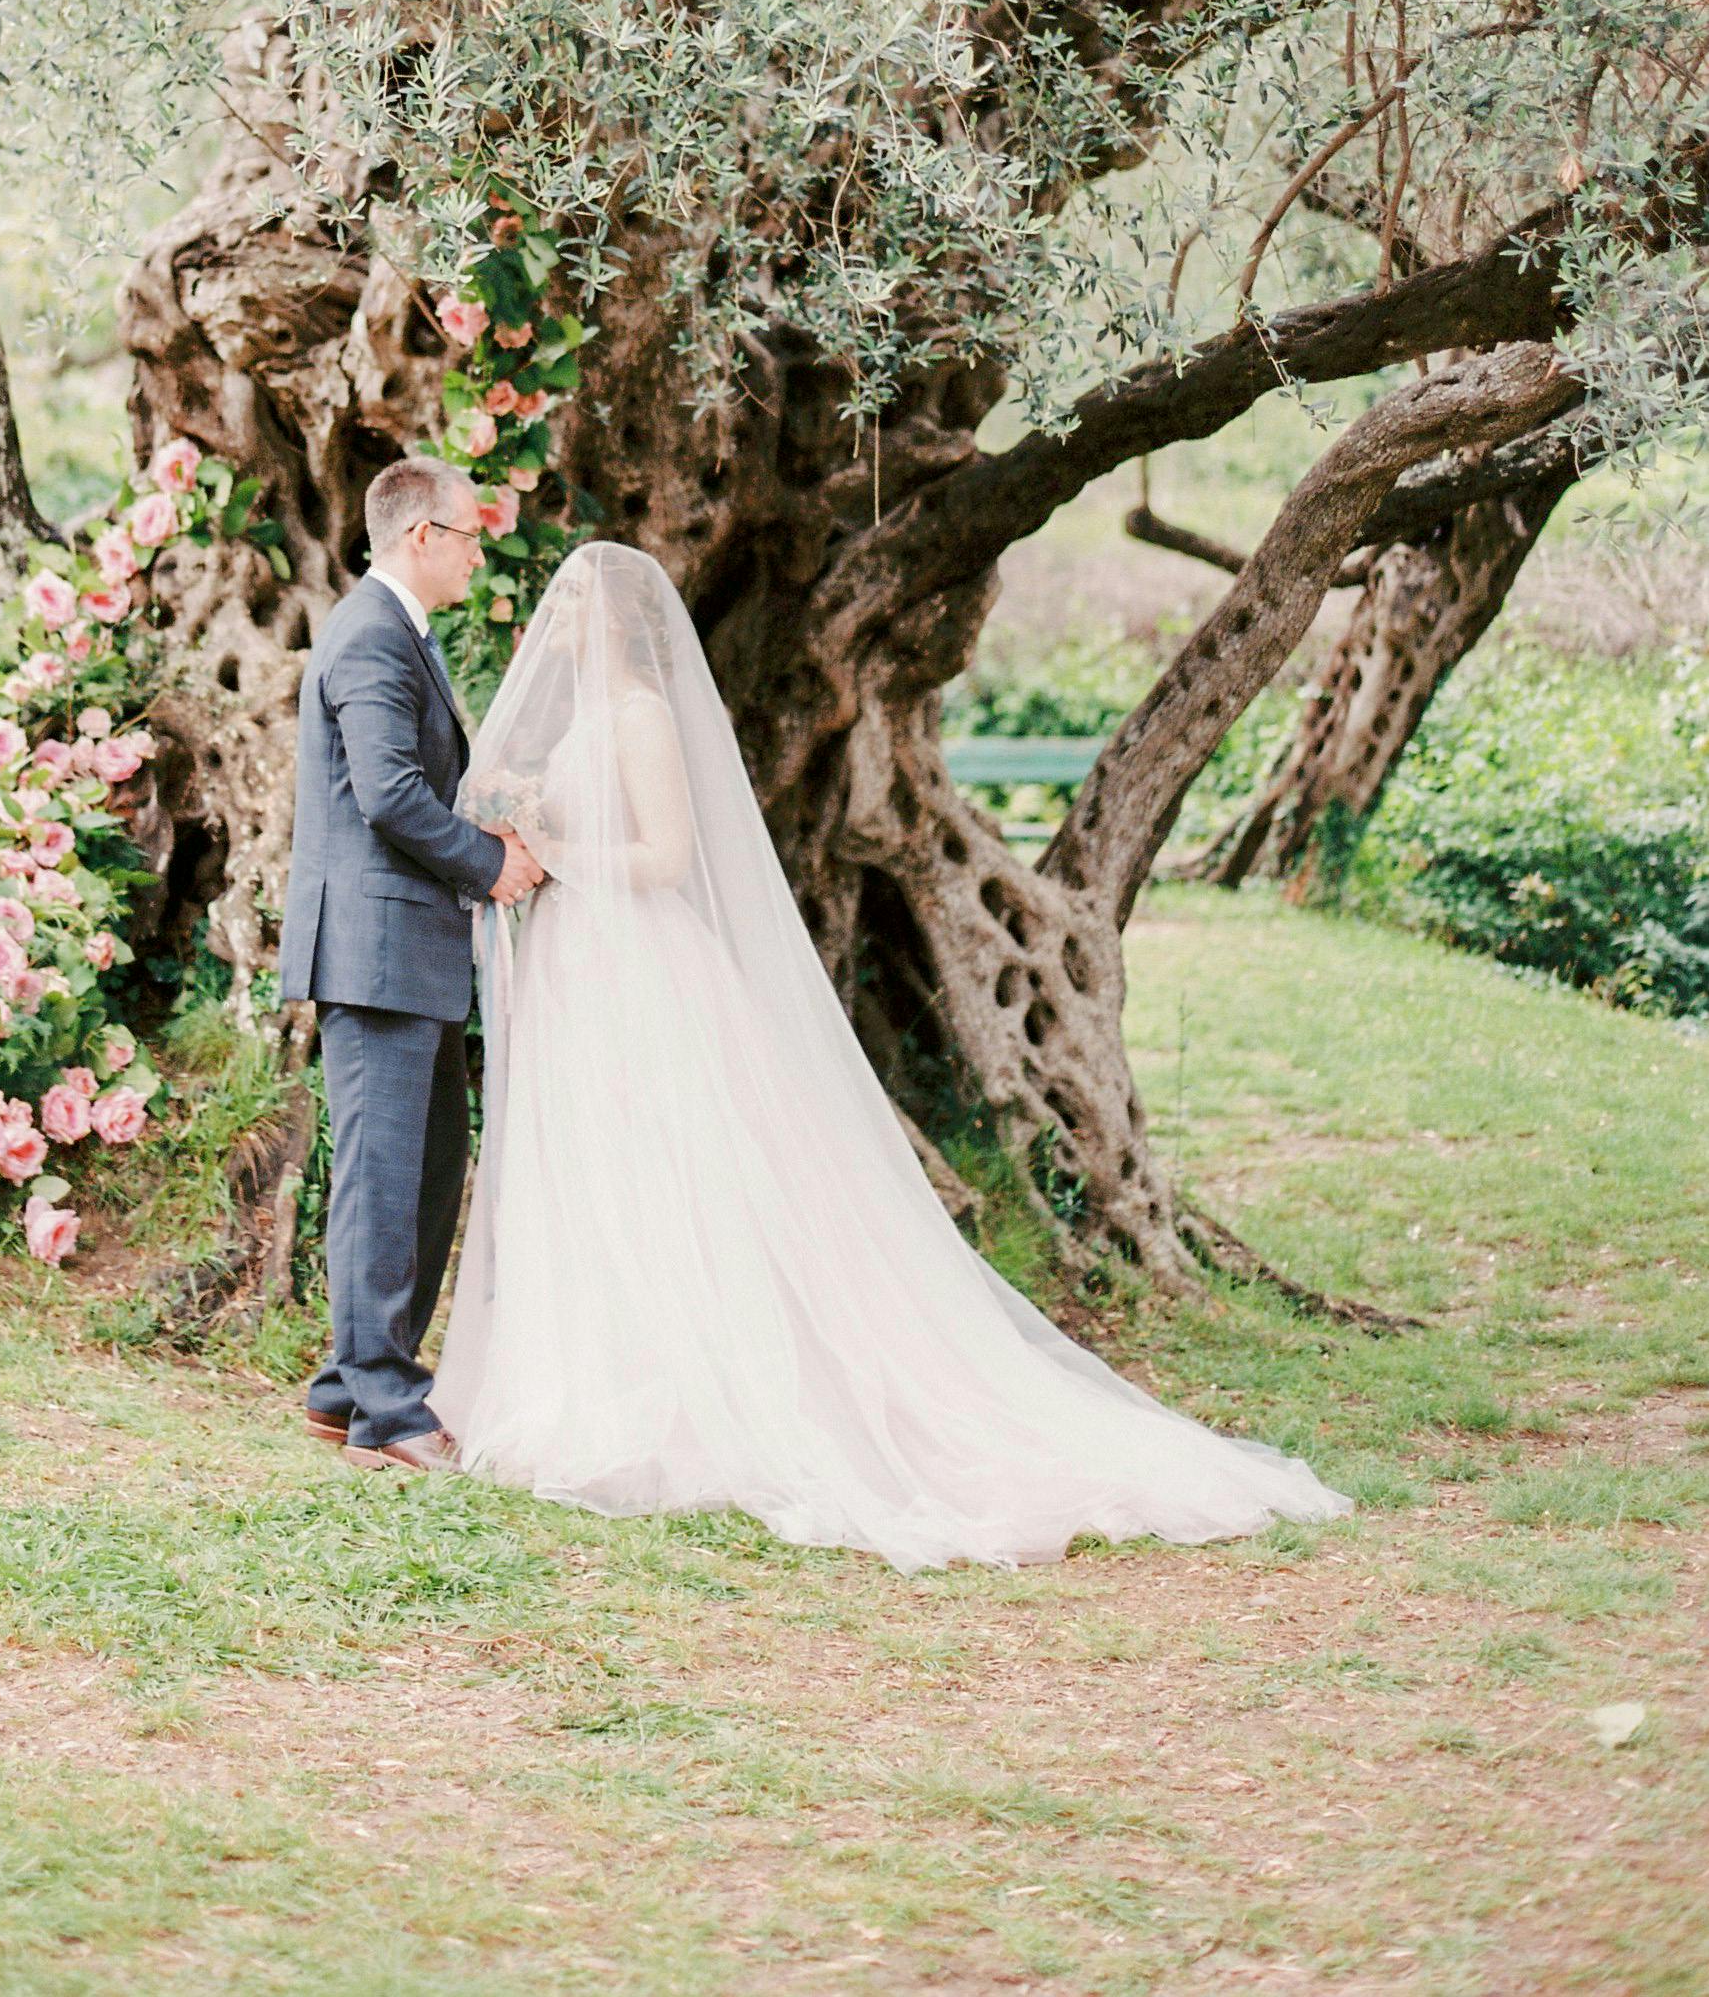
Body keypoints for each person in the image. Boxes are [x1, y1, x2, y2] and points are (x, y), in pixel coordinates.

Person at [429, 541, 1351, 1569]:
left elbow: (666, 857)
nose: (553, 621)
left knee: (679, 1167)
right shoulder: (580, 724)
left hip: (639, 964)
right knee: (600, 1170)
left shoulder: (642, 715)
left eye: (570, 605)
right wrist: (532, 823)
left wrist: (558, 851)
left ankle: (699, 1391)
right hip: (579, 966)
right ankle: (602, 1379)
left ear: (608, 620)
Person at [279, 456, 544, 1471]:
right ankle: (388, 1411)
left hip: (410, 951)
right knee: (386, 1179)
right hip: (377, 951)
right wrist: (491, 864)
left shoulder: (397, 634)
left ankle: (346, 1388)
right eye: (470, 535)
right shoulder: (371, 636)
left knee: (427, 1172)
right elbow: (389, 794)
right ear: (421, 536)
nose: (481, 553)